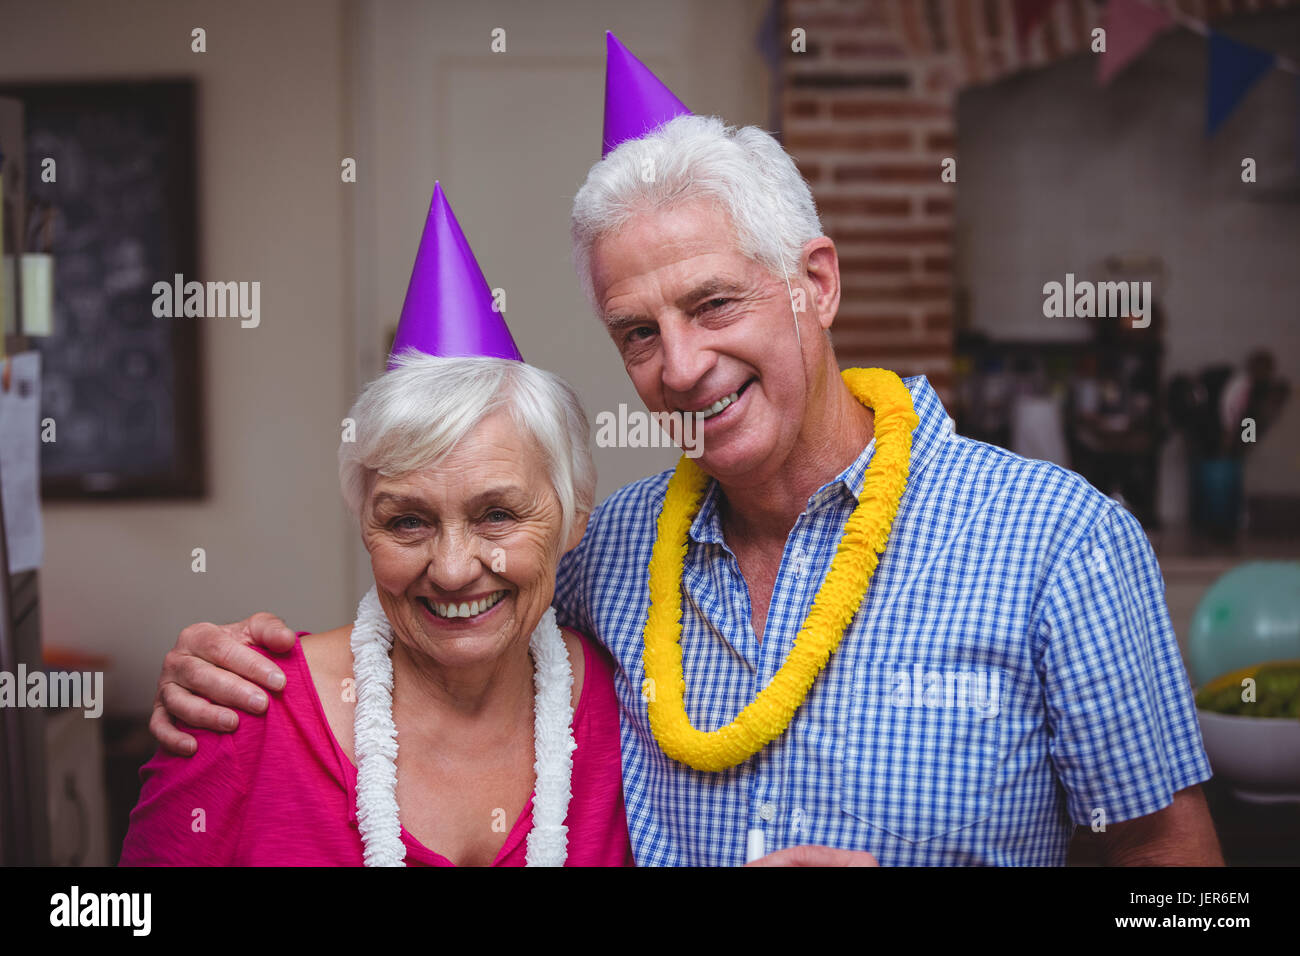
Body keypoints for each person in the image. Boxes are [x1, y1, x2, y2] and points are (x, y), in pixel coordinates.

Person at [145, 35, 1222, 867]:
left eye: (715, 304)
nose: (682, 363)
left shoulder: (1060, 542)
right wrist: (229, 671)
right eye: (636, 332)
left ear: (818, 282)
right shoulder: (606, 556)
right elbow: (451, 612)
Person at [121, 185, 632, 867]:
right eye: (409, 521)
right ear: (365, 524)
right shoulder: (241, 710)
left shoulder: (632, 715)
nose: (452, 569)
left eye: (498, 514)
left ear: (574, 518)